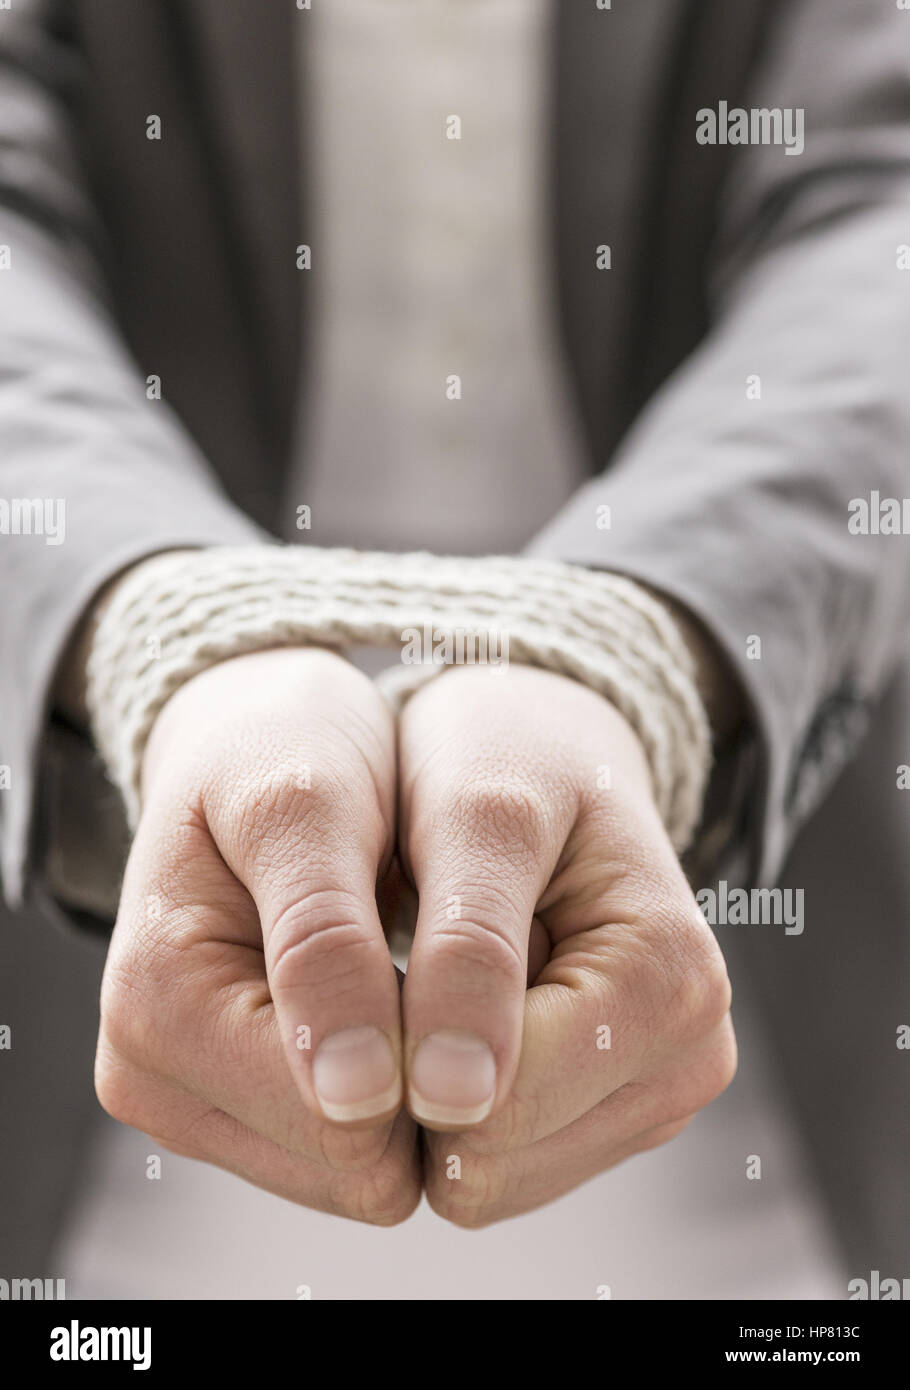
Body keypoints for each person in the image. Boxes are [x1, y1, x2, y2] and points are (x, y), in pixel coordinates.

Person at [1, 0, 907, 1296]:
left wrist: (627, 641)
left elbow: (880, 222)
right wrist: (169, 634)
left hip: (758, 1049)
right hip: (103, 1077)